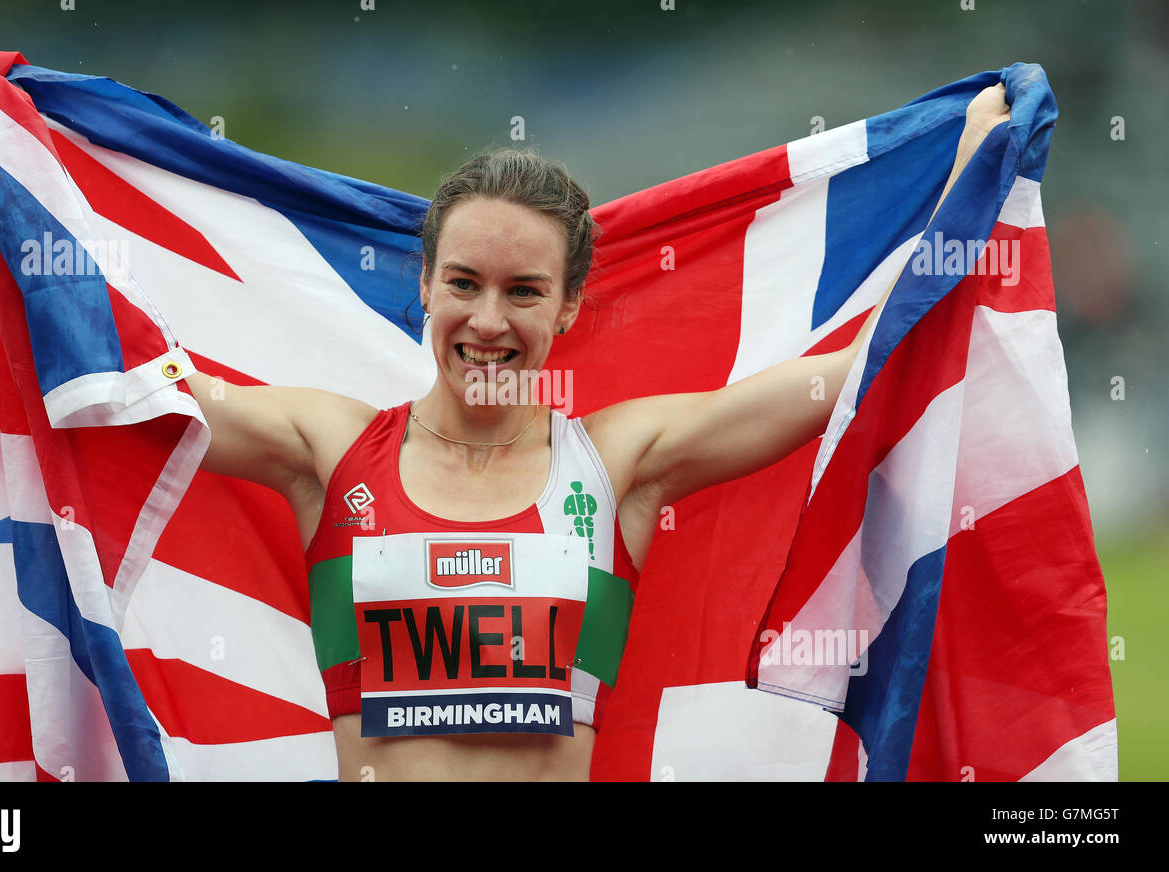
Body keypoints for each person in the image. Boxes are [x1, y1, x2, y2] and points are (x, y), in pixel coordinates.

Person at [185, 84, 1011, 781]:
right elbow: (130, 390)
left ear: (569, 307)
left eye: (524, 292)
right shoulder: (328, 449)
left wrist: (966, 180)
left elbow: (855, 371)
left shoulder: (615, 465)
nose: (487, 320)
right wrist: (49, 191)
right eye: (464, 283)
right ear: (426, 286)